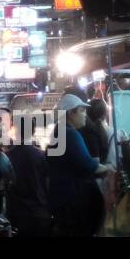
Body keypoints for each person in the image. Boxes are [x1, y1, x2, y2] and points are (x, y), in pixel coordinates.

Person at [49, 94, 113, 236]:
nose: (85, 115)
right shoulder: (69, 134)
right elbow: (88, 165)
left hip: (61, 200)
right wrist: (107, 168)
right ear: (71, 113)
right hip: (73, 202)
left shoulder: (59, 132)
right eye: (82, 111)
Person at [3, 112, 51, 237]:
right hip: (40, 213)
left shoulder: (7, 157)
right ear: (34, 131)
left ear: (15, 130)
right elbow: (48, 184)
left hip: (16, 214)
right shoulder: (41, 155)